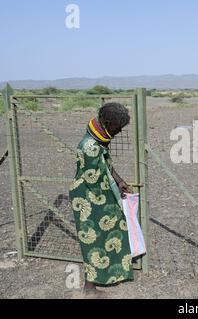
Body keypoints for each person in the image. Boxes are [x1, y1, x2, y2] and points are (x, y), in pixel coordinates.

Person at [69, 102, 133, 297]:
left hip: (97, 194)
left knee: (111, 233)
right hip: (89, 198)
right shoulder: (90, 146)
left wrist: (119, 181)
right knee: (94, 241)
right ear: (106, 122)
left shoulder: (98, 140)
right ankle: (89, 288)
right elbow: (94, 181)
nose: (120, 131)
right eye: (118, 126)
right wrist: (115, 195)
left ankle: (109, 273)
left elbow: (105, 165)